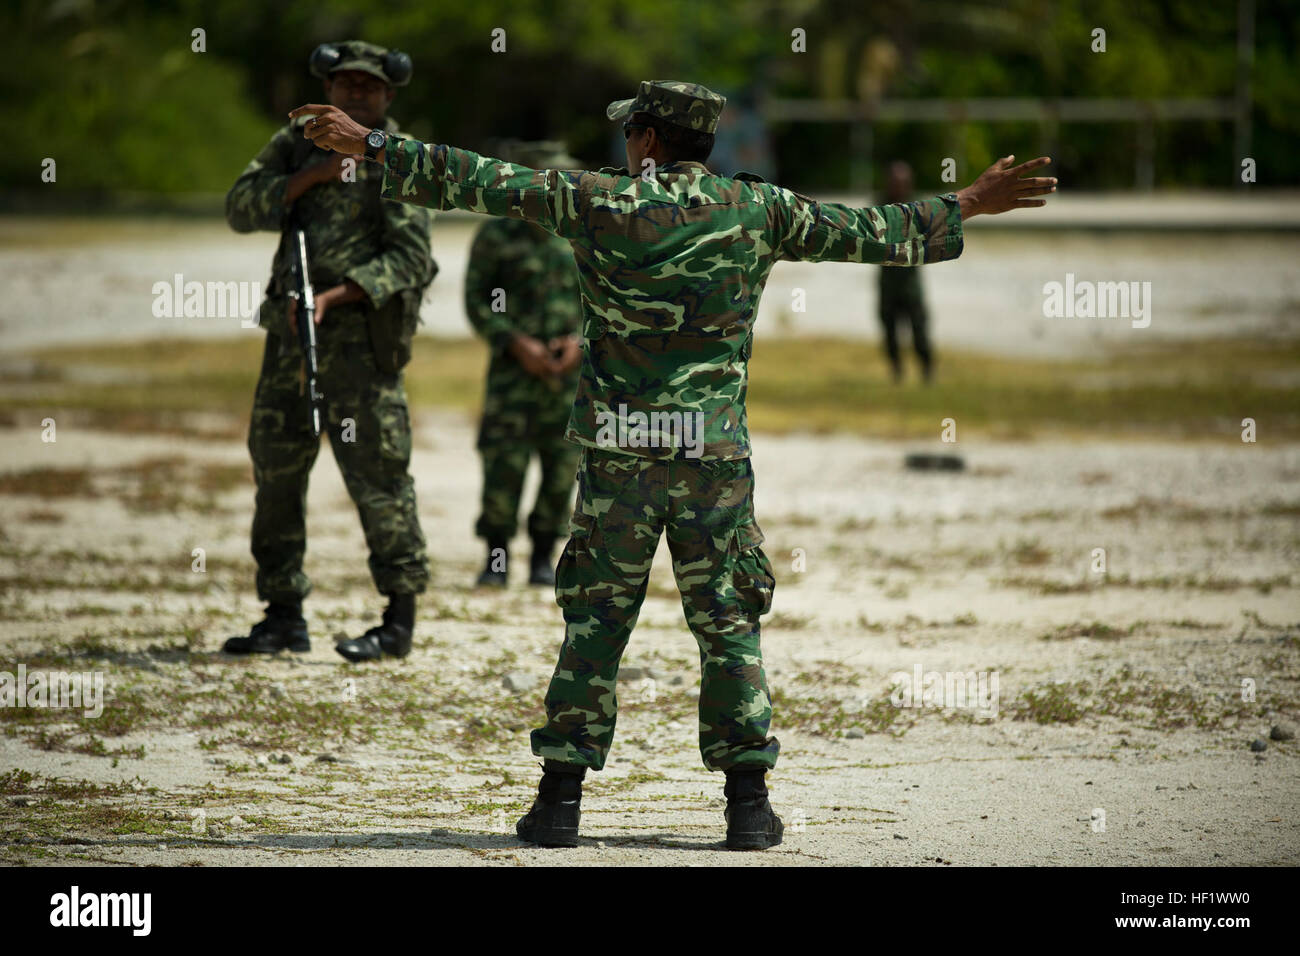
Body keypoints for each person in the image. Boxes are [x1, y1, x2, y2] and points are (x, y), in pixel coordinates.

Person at [290, 79, 1055, 848]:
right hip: (710, 457)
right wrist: (967, 203)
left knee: (594, 623)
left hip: (620, 454)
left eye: (632, 133)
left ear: (650, 140)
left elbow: (480, 178)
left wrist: (373, 144)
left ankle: (559, 804)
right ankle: (747, 808)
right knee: (728, 625)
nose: (626, 145)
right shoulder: (759, 210)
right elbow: (874, 232)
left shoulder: (596, 202)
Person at [224, 41, 437, 664]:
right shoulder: (296, 141)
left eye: (367, 88)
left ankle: (398, 621)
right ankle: (282, 615)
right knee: (277, 473)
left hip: (363, 349)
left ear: (388, 96)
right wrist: (308, 177)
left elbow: (411, 260)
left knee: (380, 479)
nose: (354, 94)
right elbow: (239, 208)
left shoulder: (400, 159)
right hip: (289, 342)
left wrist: (336, 296)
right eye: (344, 84)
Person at [463, 142, 585, 588]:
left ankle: (541, 557)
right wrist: (514, 343)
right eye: (548, 178)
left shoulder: (584, 233)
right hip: (512, 376)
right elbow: (477, 302)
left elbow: (607, 302)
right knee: (503, 466)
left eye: (564, 178)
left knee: (562, 469)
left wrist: (580, 343)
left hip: (567, 378)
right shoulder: (497, 236)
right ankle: (496, 557)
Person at [877, 161, 933, 382]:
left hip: (910, 284)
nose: (897, 186)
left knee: (919, 329)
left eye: (902, 182)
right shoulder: (880, 207)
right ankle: (896, 371)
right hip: (888, 283)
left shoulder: (918, 208)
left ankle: (927, 369)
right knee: (889, 330)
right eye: (894, 182)